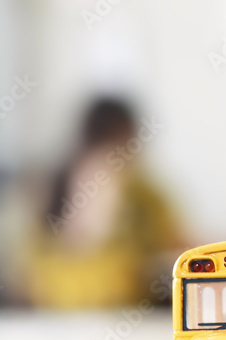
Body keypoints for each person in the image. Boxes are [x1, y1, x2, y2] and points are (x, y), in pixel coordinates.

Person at [26, 98, 187, 308]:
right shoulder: (50, 191)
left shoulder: (145, 194)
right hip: (60, 321)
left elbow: (179, 249)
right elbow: (33, 283)